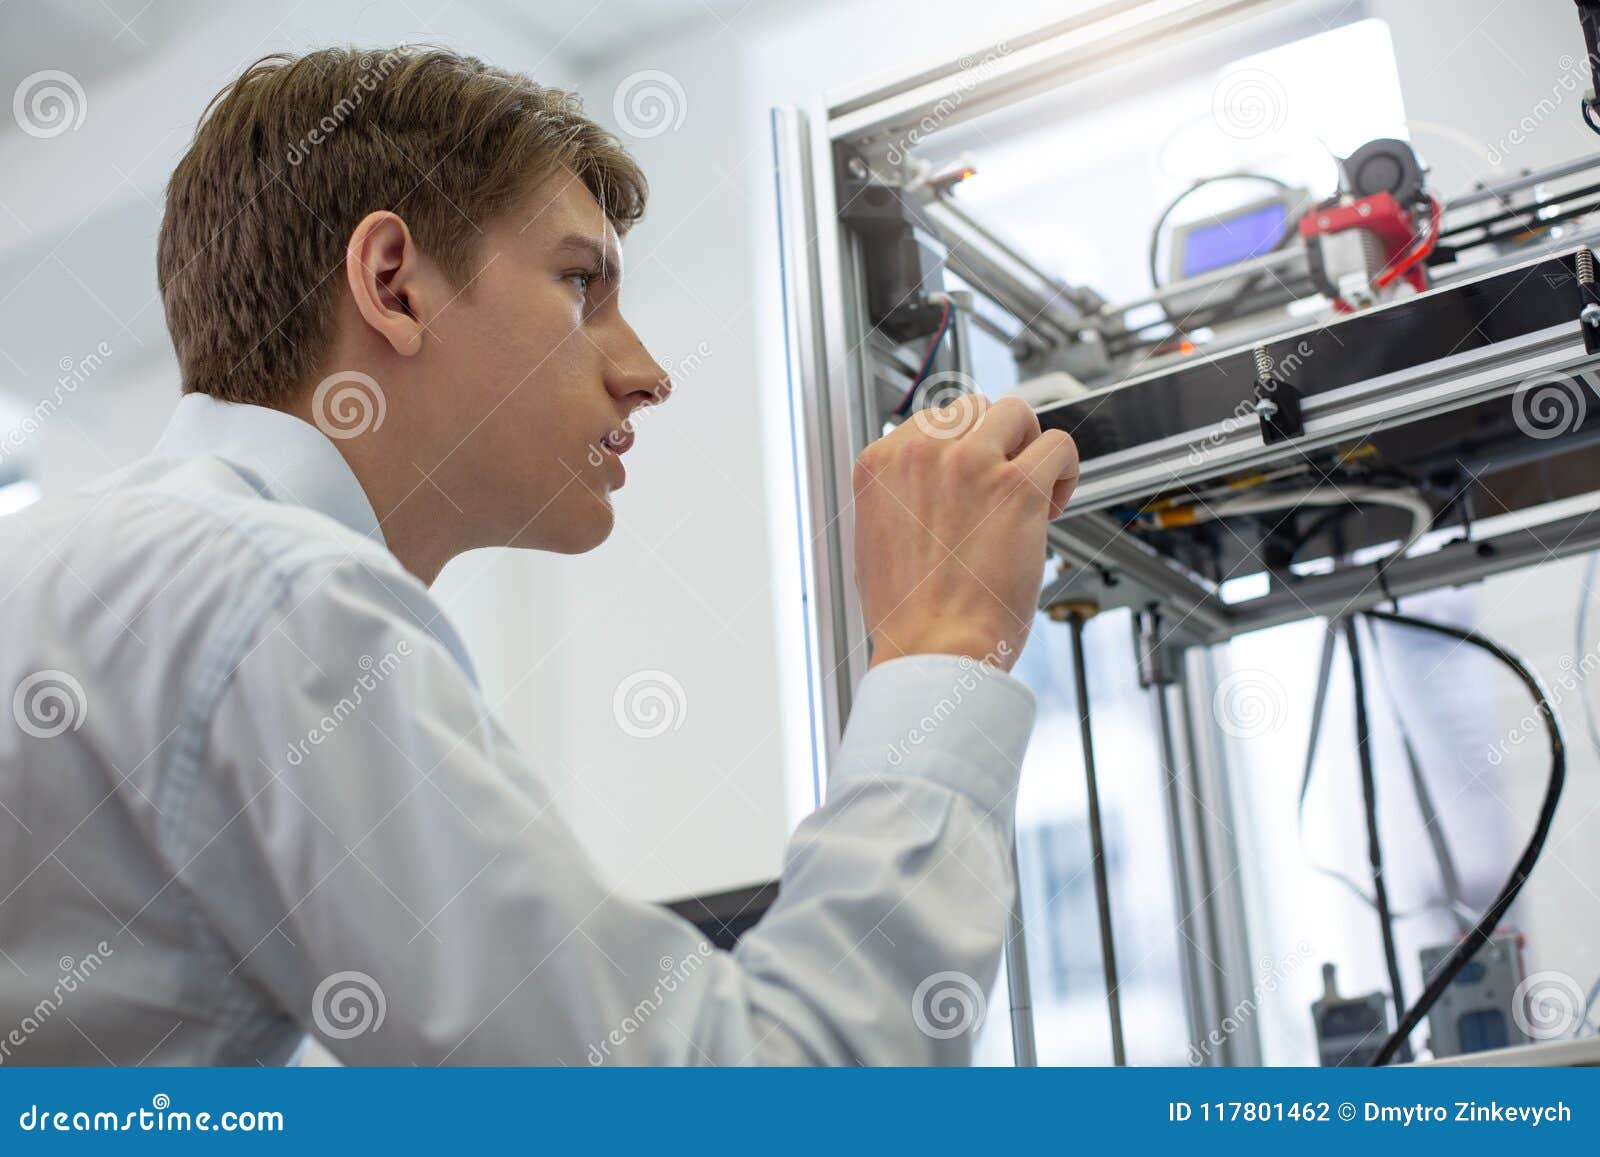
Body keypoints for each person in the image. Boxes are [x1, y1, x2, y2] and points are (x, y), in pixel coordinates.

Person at [0, 46, 1077, 1065]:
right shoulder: (271, 598)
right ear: (393, 283)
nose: (649, 372)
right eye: (581, 287)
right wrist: (943, 643)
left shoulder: (78, 564)